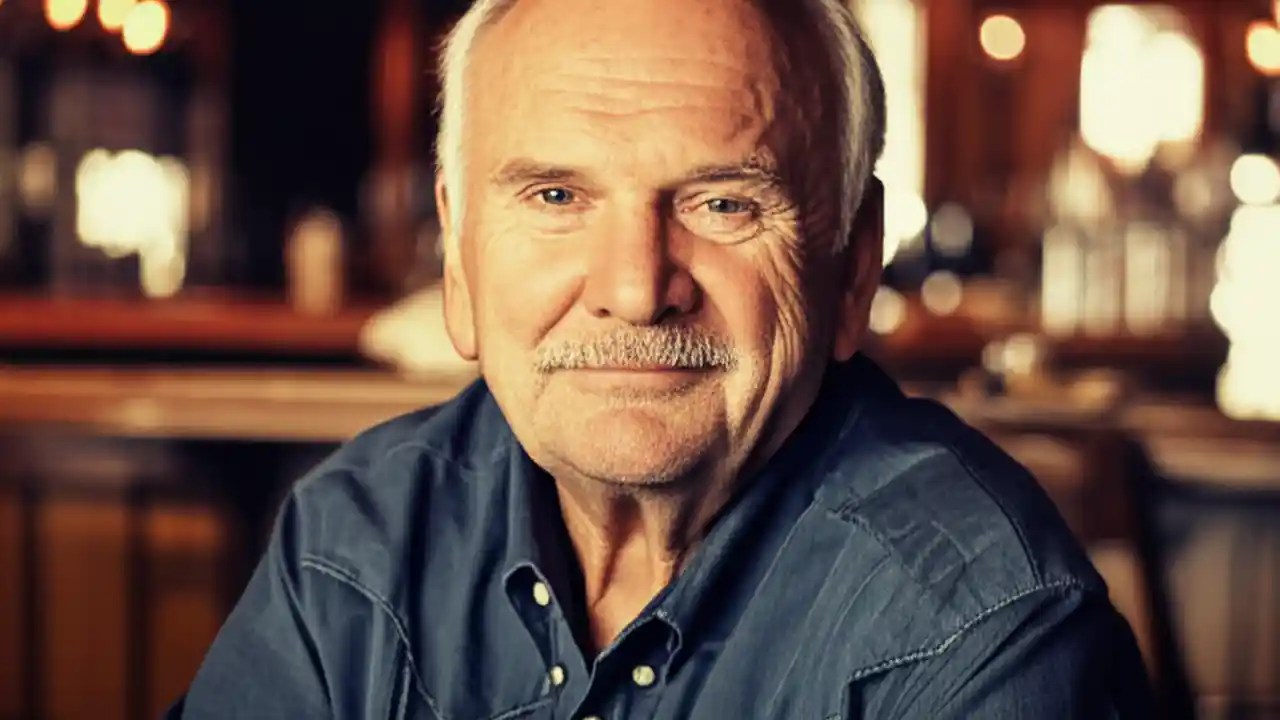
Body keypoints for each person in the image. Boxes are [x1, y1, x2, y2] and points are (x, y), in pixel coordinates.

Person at [172, 0, 1154, 717]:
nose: (636, 287)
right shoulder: (358, 539)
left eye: (721, 203)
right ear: (459, 259)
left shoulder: (983, 629)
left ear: (852, 271)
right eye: (555, 198)